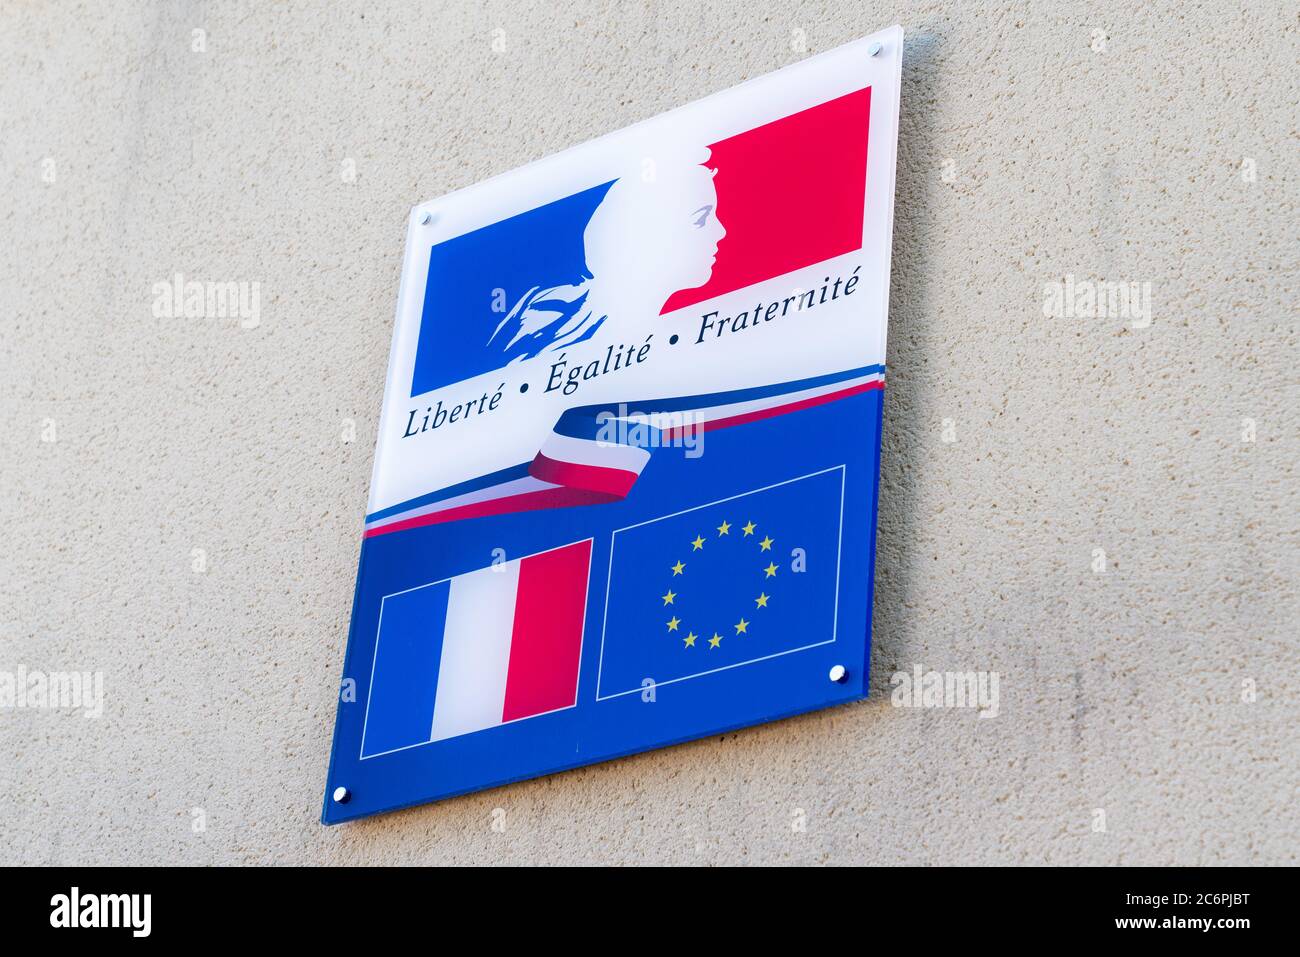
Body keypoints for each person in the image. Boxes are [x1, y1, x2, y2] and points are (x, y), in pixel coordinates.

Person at [487, 147, 726, 363]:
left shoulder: (650, 341)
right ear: (648, 234)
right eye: (701, 219)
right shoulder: (552, 318)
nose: (721, 232)